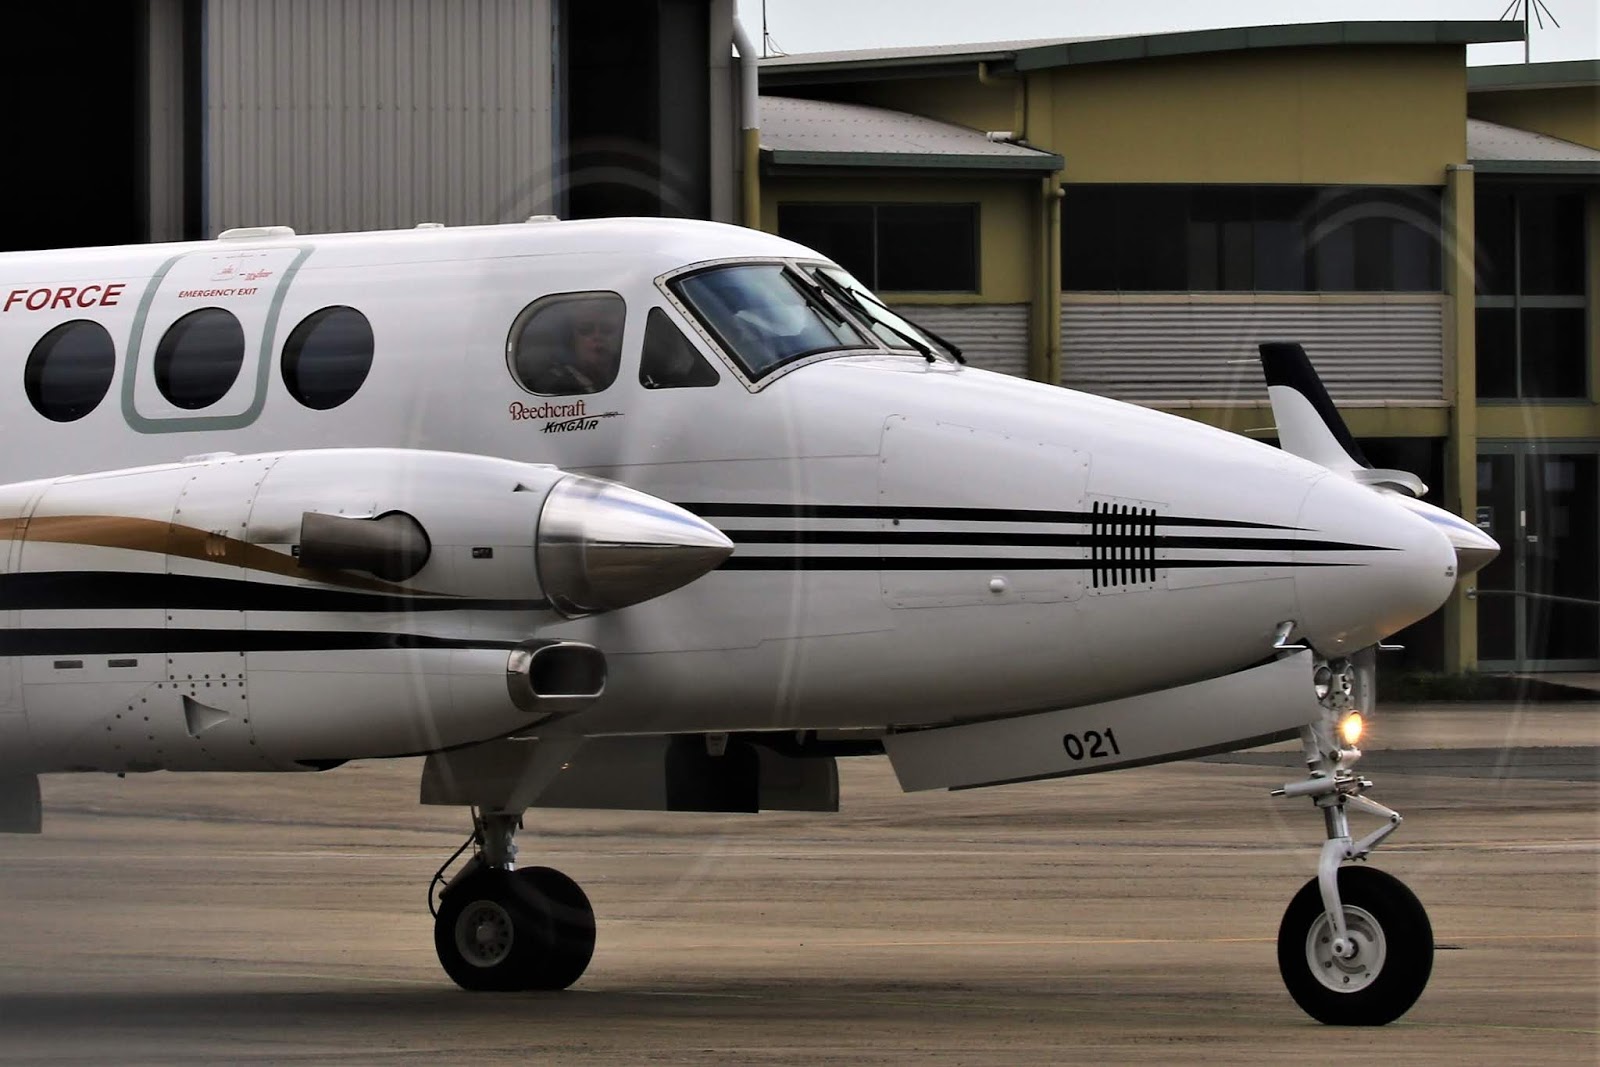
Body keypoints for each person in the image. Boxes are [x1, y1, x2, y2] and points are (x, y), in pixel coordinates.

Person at [542, 299, 622, 394]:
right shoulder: (558, 386)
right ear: (571, 339)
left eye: (607, 329)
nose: (597, 336)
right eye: (586, 330)